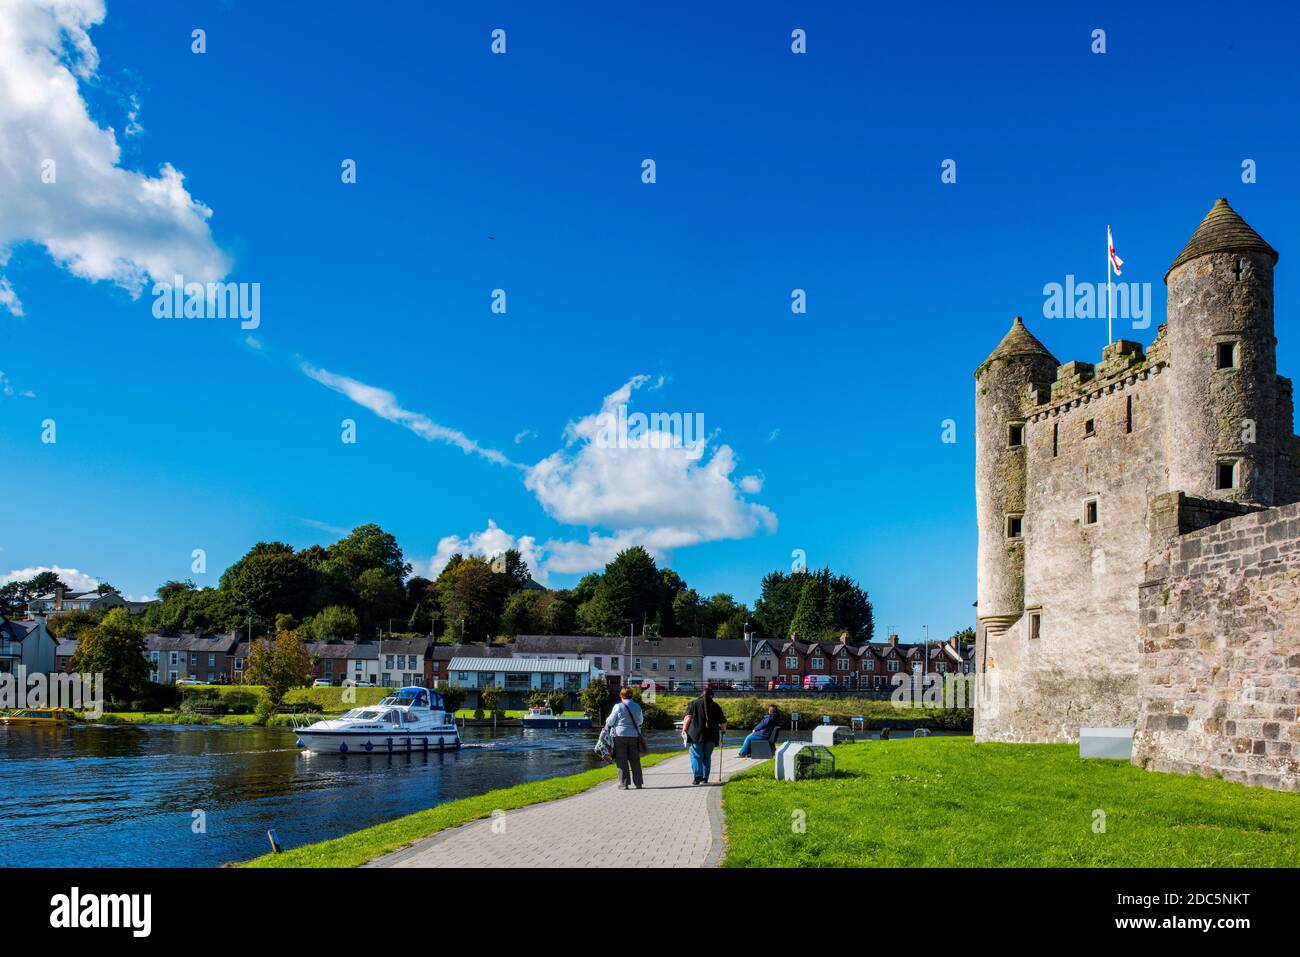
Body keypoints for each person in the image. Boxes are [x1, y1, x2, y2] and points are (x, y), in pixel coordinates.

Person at [680, 687, 727, 784]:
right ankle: (705, 778)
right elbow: (723, 723)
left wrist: (684, 730)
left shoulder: (693, 704)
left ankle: (698, 777)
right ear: (711, 696)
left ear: (701, 694)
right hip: (711, 735)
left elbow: (688, 718)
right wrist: (723, 732)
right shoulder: (715, 706)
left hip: (695, 735)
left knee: (696, 756)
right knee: (707, 757)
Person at [604, 686, 644, 790]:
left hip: (620, 736)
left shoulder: (618, 706)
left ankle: (624, 784)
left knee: (622, 760)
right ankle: (638, 783)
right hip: (634, 736)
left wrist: (608, 720)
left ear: (621, 695)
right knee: (635, 760)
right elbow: (640, 721)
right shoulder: (637, 706)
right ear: (631, 695)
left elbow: (610, 721)